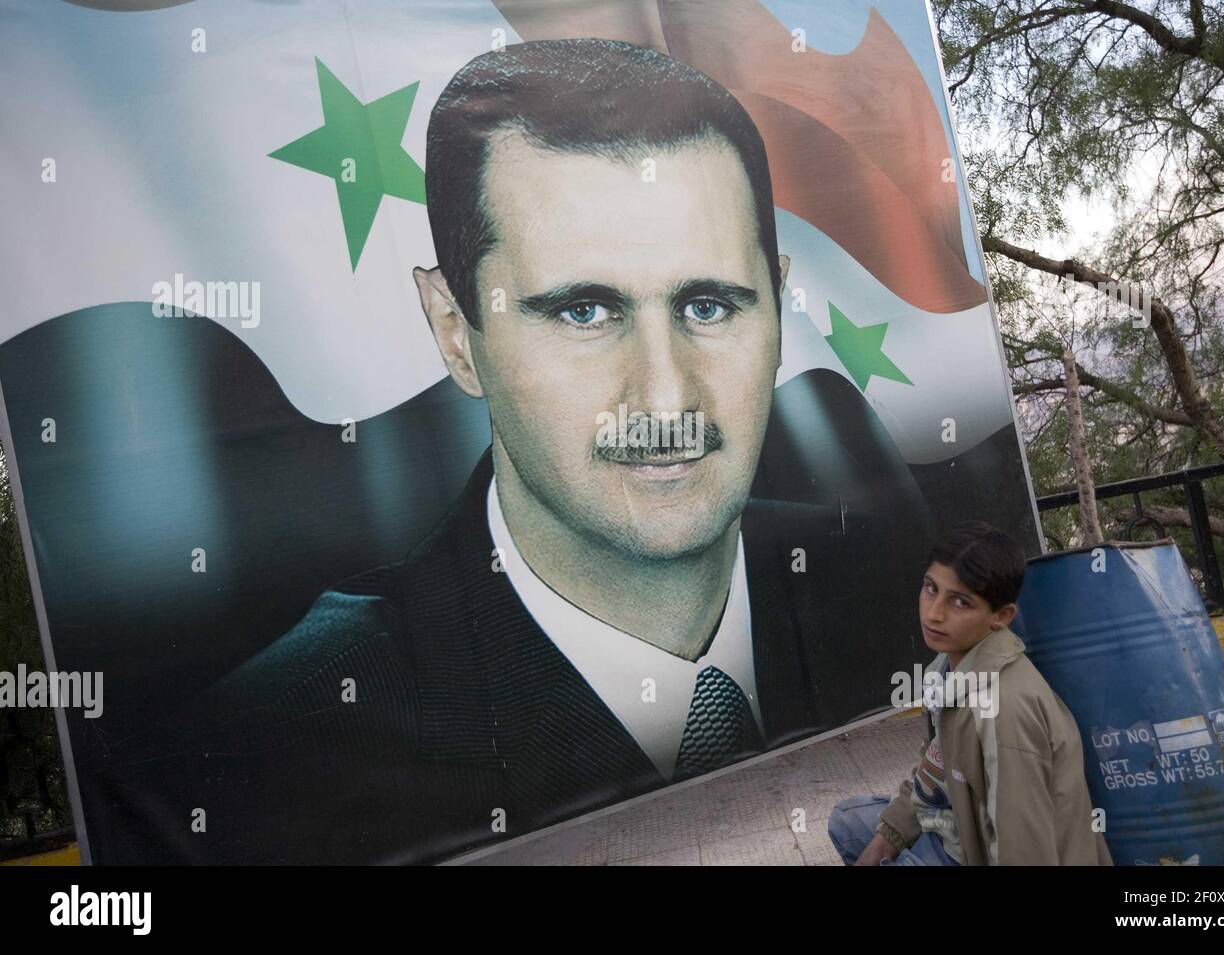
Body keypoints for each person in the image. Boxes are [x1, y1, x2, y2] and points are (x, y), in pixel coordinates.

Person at [139, 37, 934, 865]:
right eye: (584, 312)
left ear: (777, 302)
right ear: (456, 332)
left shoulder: (894, 583)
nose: (666, 398)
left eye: (708, 305)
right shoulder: (267, 759)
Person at [828, 520, 1113, 866]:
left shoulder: (1003, 709)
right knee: (847, 823)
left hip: (987, 852)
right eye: (931, 588)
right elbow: (934, 771)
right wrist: (884, 842)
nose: (934, 614)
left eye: (960, 602)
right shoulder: (949, 670)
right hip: (958, 827)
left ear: (1001, 616)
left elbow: (1025, 851)